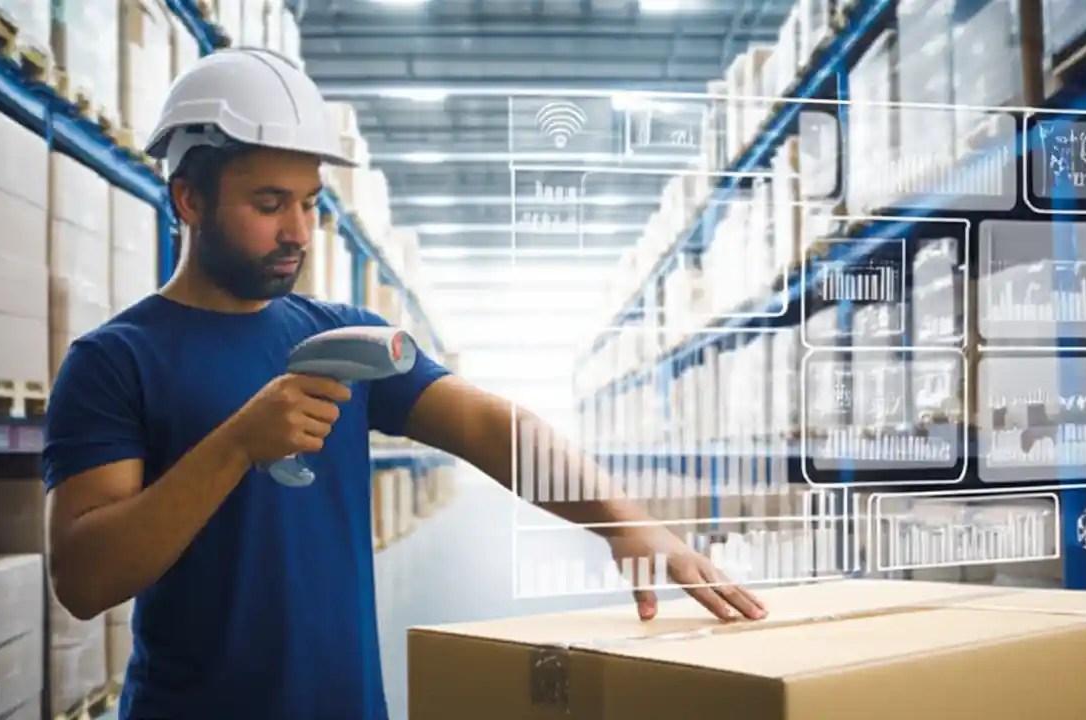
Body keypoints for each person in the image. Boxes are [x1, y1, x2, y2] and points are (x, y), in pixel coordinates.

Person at [41, 48, 767, 720]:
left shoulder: (338, 337)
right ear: (188, 200)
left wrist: (621, 519)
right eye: (269, 204)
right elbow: (85, 580)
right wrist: (235, 444)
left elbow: (486, 426)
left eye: (310, 203)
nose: (297, 230)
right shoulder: (114, 360)